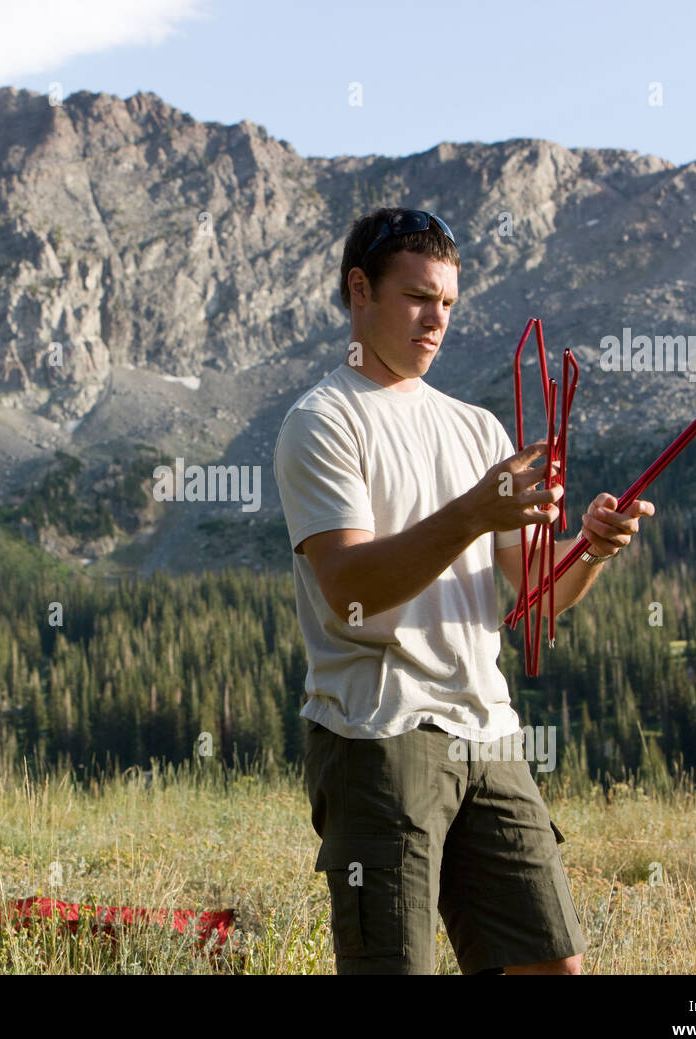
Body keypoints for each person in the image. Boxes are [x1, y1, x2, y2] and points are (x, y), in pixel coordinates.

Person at [272, 206, 654, 975]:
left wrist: (593, 550)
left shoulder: (480, 430)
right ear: (360, 292)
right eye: (416, 297)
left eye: (447, 302)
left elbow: (532, 599)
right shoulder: (323, 422)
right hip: (376, 737)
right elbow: (351, 593)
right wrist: (474, 511)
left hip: (489, 729)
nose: (435, 319)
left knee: (554, 967)